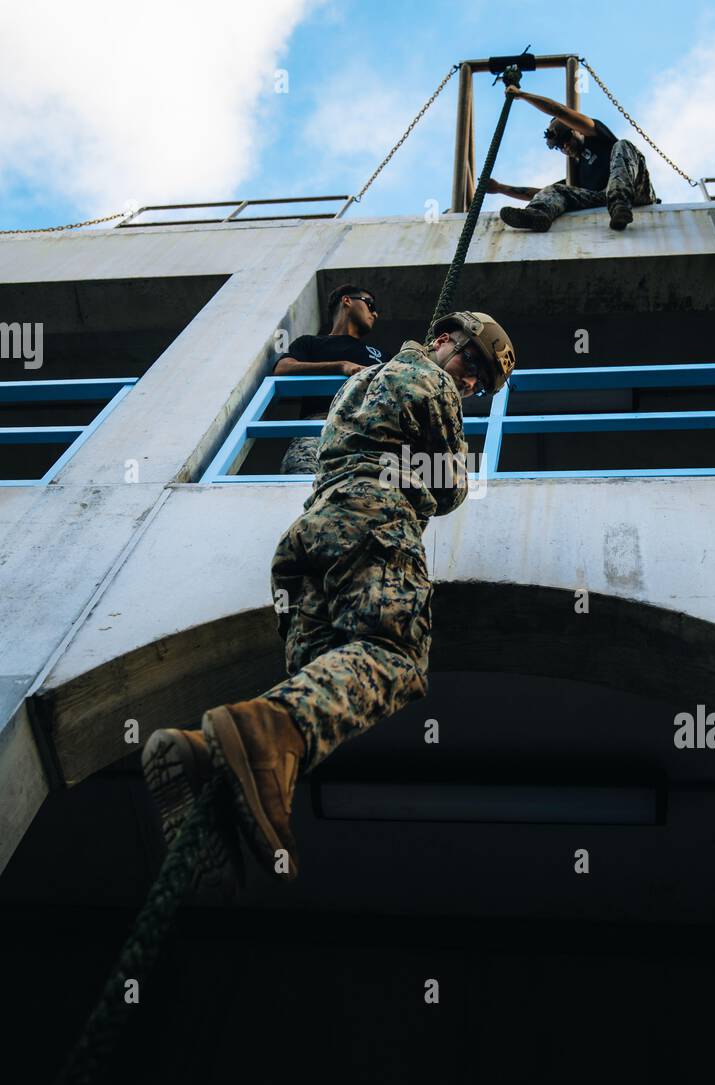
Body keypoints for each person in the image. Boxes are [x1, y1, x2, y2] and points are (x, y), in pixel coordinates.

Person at [142, 310, 516, 890]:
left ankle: (205, 756)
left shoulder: (359, 382)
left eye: (478, 384)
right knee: (394, 658)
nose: (468, 382)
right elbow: (448, 491)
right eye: (471, 363)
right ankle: (257, 741)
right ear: (443, 340)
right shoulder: (431, 379)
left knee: (320, 680)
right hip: (374, 521)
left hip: (310, 538)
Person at [490, 85, 659, 233]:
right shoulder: (578, 172)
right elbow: (541, 193)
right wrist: (499, 188)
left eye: (566, 139)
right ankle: (538, 216)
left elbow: (560, 111)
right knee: (555, 189)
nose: (565, 147)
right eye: (559, 146)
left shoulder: (595, 135)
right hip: (603, 198)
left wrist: (523, 95)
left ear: (576, 130)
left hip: (636, 190)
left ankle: (620, 204)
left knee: (623, 146)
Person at [275, 284, 389, 475]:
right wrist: (341, 366)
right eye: (370, 305)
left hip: (366, 431)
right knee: (299, 478)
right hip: (317, 427)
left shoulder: (381, 355)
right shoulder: (310, 343)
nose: (375, 314)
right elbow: (282, 369)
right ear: (347, 300)